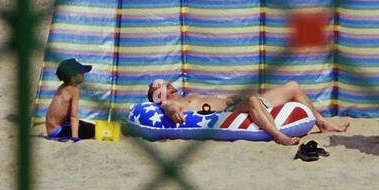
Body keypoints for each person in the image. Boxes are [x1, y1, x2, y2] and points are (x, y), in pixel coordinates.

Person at [146, 78, 349, 146]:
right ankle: (279, 136)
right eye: (166, 86)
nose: (171, 85)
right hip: (230, 108)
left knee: (294, 86)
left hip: (238, 101)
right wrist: (172, 111)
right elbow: (167, 107)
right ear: (161, 94)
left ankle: (322, 123)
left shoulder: (186, 95)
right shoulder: (171, 104)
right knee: (251, 99)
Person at [45, 58, 96, 139]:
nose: (83, 74)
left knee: (85, 125)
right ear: (73, 77)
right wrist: (75, 138)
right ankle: (71, 136)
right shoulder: (74, 90)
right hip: (58, 131)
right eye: (81, 73)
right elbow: (73, 116)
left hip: (52, 128)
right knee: (92, 129)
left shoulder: (62, 87)